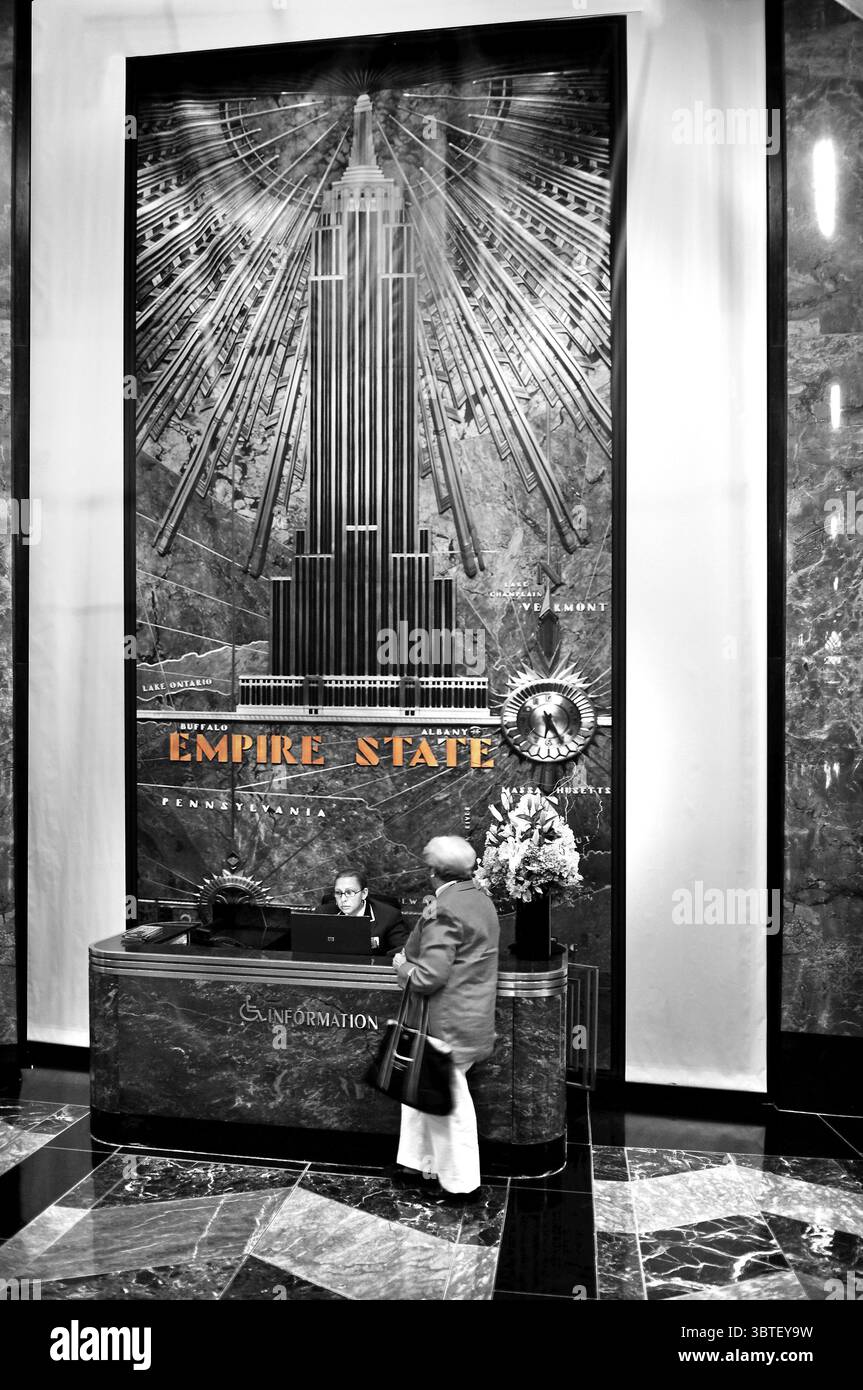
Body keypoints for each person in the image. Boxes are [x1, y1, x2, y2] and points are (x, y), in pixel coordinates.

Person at [391, 835, 500, 1205]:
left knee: (447, 1104)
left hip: (444, 1023)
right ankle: (415, 1163)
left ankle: (461, 1184)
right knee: (418, 1091)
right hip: (471, 1017)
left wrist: (403, 967)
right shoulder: (481, 898)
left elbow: (428, 976)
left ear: (434, 871)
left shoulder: (443, 908)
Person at [321, 869, 409, 958]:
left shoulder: (389, 916)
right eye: (338, 893)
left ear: (364, 893)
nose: (343, 899)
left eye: (349, 892)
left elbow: (403, 949)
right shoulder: (323, 914)